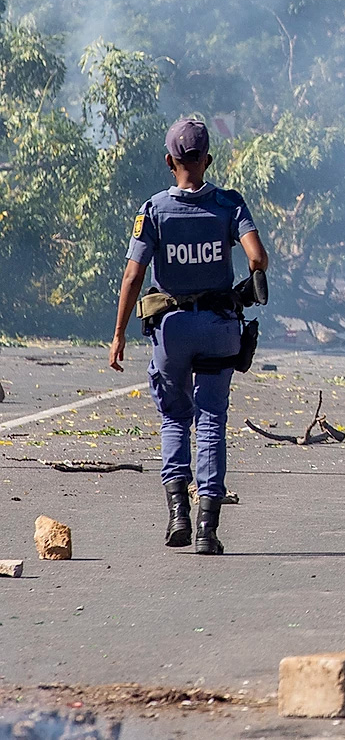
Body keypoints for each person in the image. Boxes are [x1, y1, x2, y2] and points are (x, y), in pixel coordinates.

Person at [109, 119, 269, 555]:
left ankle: (178, 514)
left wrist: (120, 334)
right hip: (219, 327)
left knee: (176, 417)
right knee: (212, 419)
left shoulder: (155, 210)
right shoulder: (228, 203)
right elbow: (257, 257)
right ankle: (207, 529)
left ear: (169, 161)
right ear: (207, 160)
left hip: (172, 330)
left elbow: (132, 275)